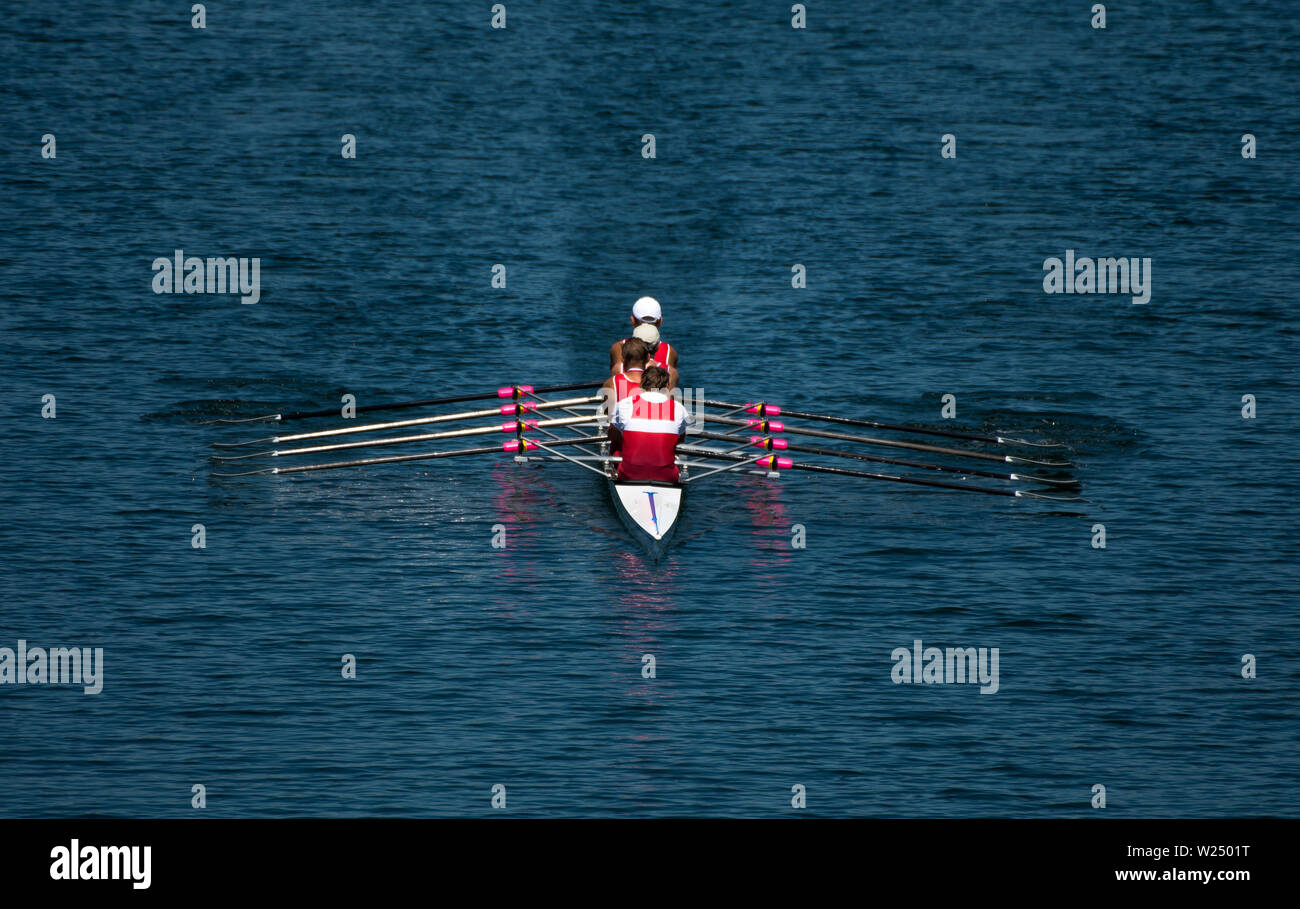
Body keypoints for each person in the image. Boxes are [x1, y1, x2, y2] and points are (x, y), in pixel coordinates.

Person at [609, 366, 690, 483]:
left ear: (641, 384)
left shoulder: (625, 404)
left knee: (617, 442)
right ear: (667, 386)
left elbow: (611, 436)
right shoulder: (679, 408)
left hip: (628, 474)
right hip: (667, 477)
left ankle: (619, 468)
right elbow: (680, 441)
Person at [609, 296, 678, 374]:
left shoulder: (618, 348)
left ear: (632, 320)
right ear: (660, 321)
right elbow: (670, 383)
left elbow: (618, 378)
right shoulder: (670, 352)